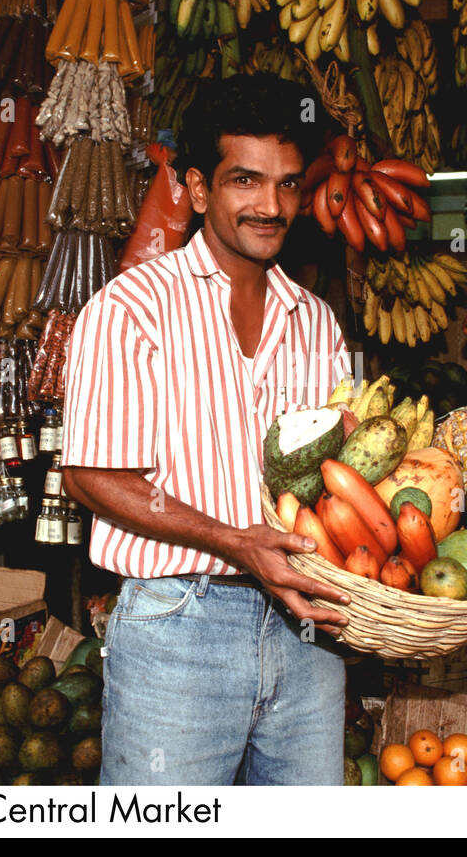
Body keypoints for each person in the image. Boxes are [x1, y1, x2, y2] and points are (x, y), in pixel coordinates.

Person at [61, 74, 354, 785]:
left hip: (307, 630)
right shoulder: (132, 309)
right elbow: (90, 475)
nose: (270, 206)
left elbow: (338, 481)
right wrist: (233, 542)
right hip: (179, 627)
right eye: (245, 181)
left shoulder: (313, 321)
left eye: (287, 185)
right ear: (197, 189)